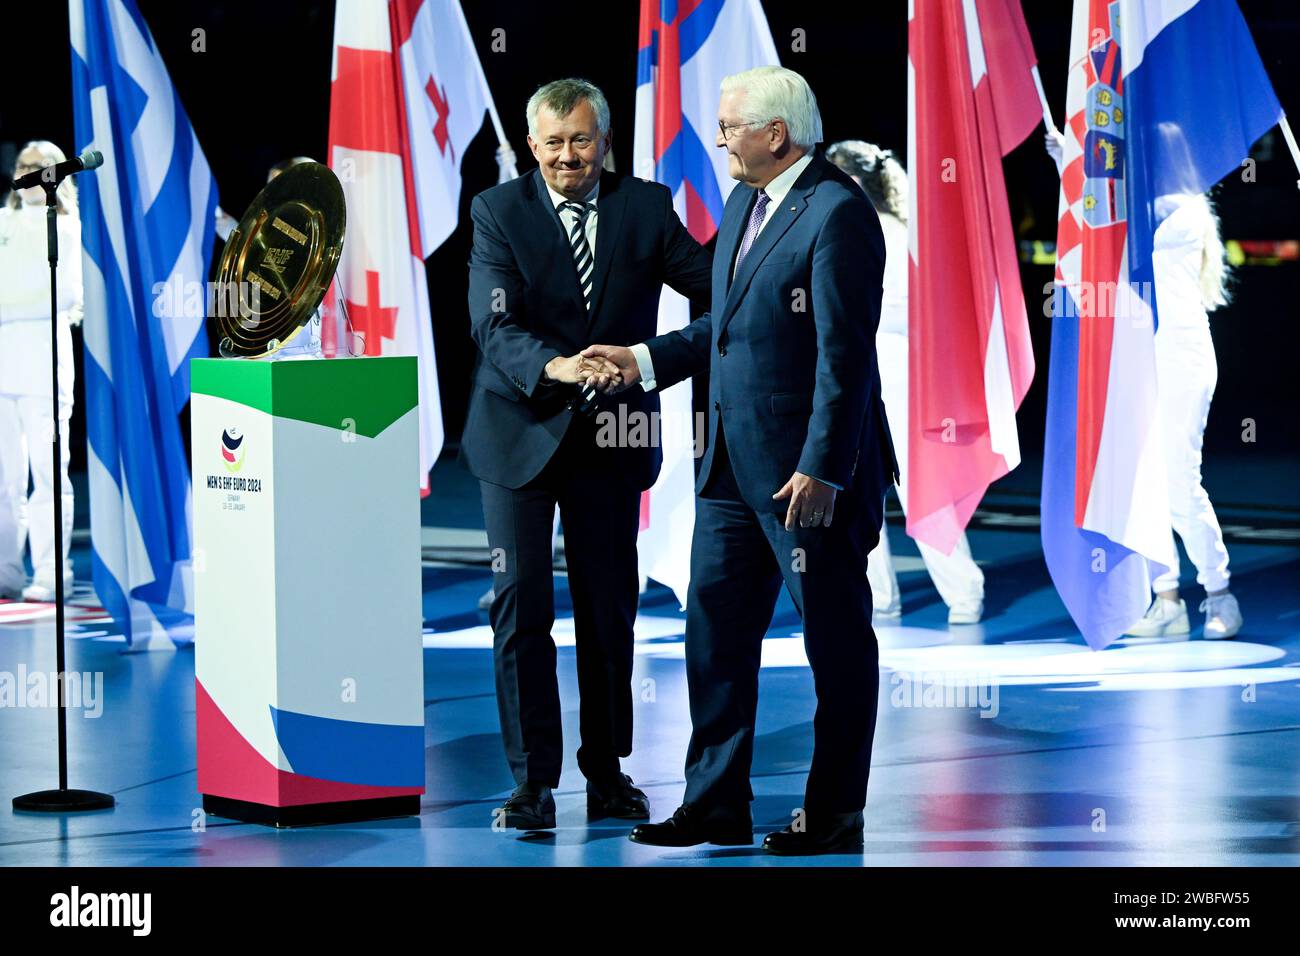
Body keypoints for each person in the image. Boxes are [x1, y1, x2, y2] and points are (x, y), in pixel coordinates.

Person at [584, 66, 898, 855]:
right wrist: (641, 361)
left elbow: (846, 357)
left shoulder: (837, 212)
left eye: (728, 127)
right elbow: (717, 328)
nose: (718, 138)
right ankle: (715, 804)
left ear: (775, 134)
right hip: (726, 470)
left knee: (835, 641)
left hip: (806, 479)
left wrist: (824, 468)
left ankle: (833, 815)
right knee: (714, 637)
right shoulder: (742, 201)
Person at [462, 78, 713, 830]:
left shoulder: (645, 206)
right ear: (531, 145)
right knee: (522, 608)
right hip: (519, 432)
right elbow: (492, 324)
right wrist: (560, 366)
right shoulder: (497, 211)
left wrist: (646, 357)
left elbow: (717, 290)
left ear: (604, 141)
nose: (567, 155)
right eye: (552, 142)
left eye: (580, 139)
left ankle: (608, 773)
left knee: (610, 613)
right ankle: (531, 784)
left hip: (612, 436)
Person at [1046, 130, 1242, 640]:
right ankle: (1168, 598)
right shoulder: (1133, 201)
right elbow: (1100, 222)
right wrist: (1071, 165)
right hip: (1137, 353)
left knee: (1179, 480)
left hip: (1179, 352)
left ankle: (1220, 594)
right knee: (1144, 481)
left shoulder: (1180, 206)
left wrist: (1078, 168)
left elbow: (1122, 223)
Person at [825, 140, 985, 625]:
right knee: (857, 486)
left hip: (892, 367)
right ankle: (888, 595)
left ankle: (962, 591)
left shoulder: (880, 232)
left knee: (915, 485)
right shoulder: (867, 230)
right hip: (865, 366)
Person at [0, 141, 83, 603]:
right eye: (22, 165)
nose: (29, 172)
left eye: (38, 166)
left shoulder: (66, 227)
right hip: (4, 360)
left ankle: (53, 571)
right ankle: (7, 569)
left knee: (48, 473)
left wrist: (11, 300)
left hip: (44, 360)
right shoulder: (2, 223)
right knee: (5, 477)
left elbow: (64, 295)